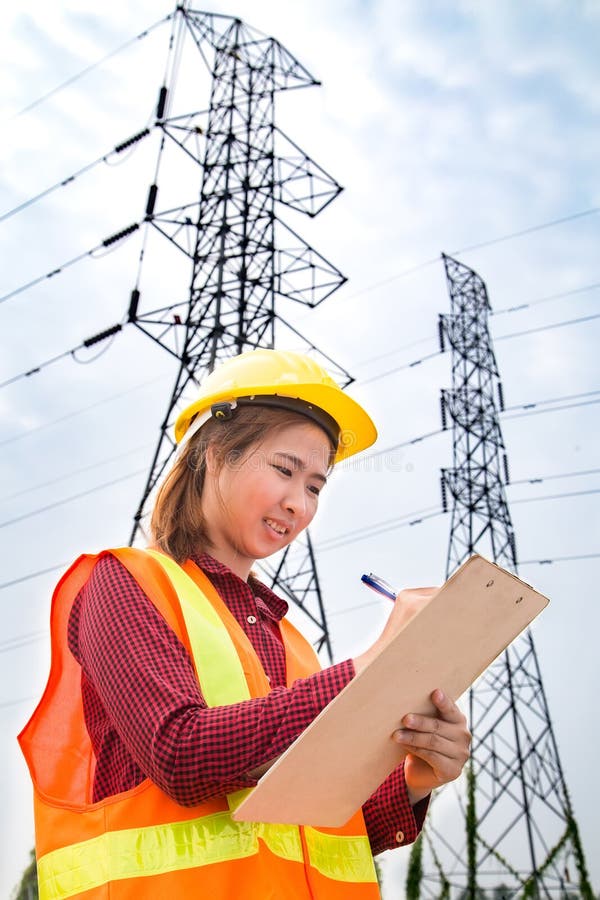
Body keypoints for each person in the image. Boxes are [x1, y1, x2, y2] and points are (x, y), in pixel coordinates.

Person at [19, 349, 470, 900]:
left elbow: (320, 833)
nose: (298, 503)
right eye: (284, 470)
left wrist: (416, 779)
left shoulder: (288, 641)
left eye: (315, 486)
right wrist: (371, 670)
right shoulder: (125, 584)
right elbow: (181, 756)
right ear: (213, 455)